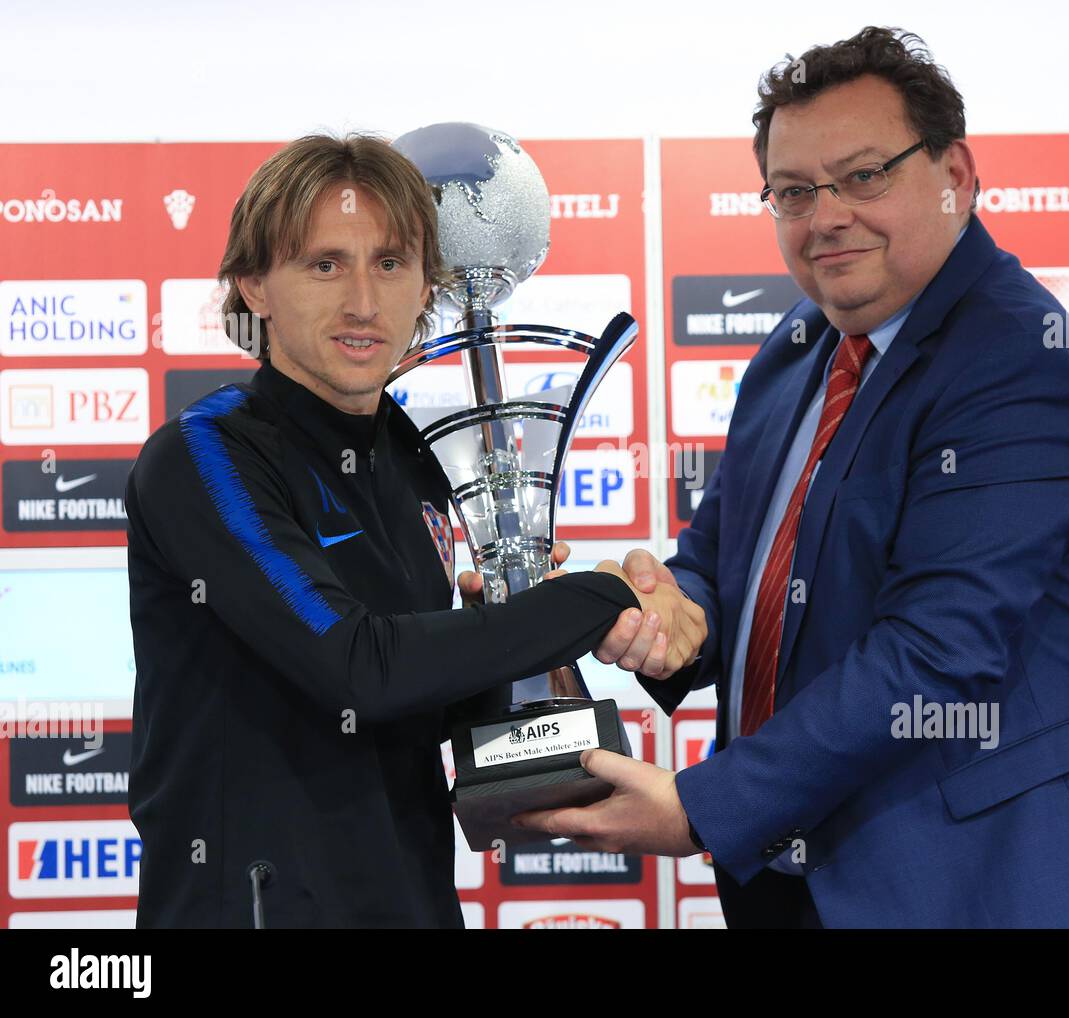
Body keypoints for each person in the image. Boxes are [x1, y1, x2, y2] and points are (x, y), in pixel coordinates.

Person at [514, 26, 1069, 930]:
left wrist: (700, 808)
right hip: (807, 883)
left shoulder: (1021, 360)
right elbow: (725, 568)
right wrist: (661, 615)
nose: (827, 215)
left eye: (865, 175)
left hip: (1008, 885)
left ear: (954, 174)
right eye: (795, 191)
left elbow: (935, 654)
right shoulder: (794, 354)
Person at [124, 133, 704, 928]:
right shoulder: (206, 454)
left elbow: (414, 710)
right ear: (255, 285)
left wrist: (513, 627)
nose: (363, 301)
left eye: (391, 263)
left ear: (426, 283)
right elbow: (358, 667)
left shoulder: (412, 459)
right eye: (324, 264)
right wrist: (597, 601)